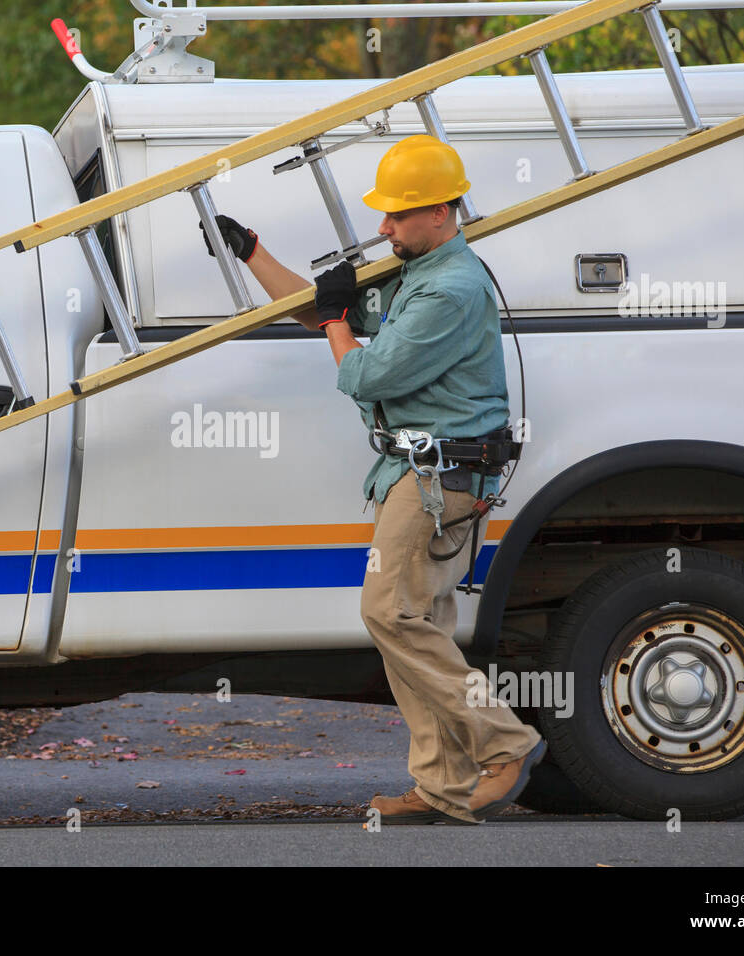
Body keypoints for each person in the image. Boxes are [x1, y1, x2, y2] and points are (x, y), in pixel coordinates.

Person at [200, 134, 545, 824]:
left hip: (438, 478)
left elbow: (362, 370)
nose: (382, 227)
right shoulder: (414, 274)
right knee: (422, 626)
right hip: (424, 471)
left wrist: (333, 319)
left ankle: (506, 742)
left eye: (397, 215)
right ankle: (442, 787)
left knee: (387, 614)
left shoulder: (448, 288)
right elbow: (316, 313)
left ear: (442, 214)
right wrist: (252, 252)